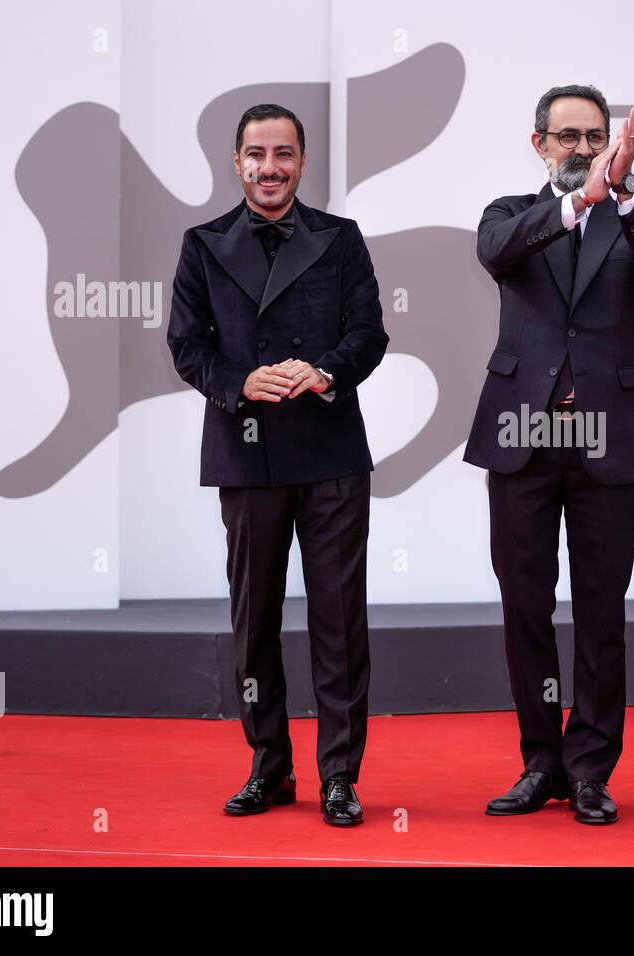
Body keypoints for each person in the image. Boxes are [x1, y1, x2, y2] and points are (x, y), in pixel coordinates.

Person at [465, 84, 634, 825]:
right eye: (568, 136)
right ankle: (540, 762)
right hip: (524, 439)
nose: (584, 148)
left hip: (608, 439)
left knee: (600, 610)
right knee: (525, 606)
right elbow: (496, 252)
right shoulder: (511, 216)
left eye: (595, 135)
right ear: (540, 145)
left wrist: (618, 194)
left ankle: (591, 769)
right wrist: (577, 201)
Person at [166, 103, 388, 827]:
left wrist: (324, 371)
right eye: (257, 154)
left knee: (338, 622)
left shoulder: (341, 238)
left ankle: (339, 777)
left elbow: (370, 334)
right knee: (254, 621)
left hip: (329, 452)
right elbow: (187, 344)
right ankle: (269, 767)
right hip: (246, 449)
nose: (270, 167)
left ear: (301, 161)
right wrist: (239, 384)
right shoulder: (202, 245)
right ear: (236, 162)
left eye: (284, 154)